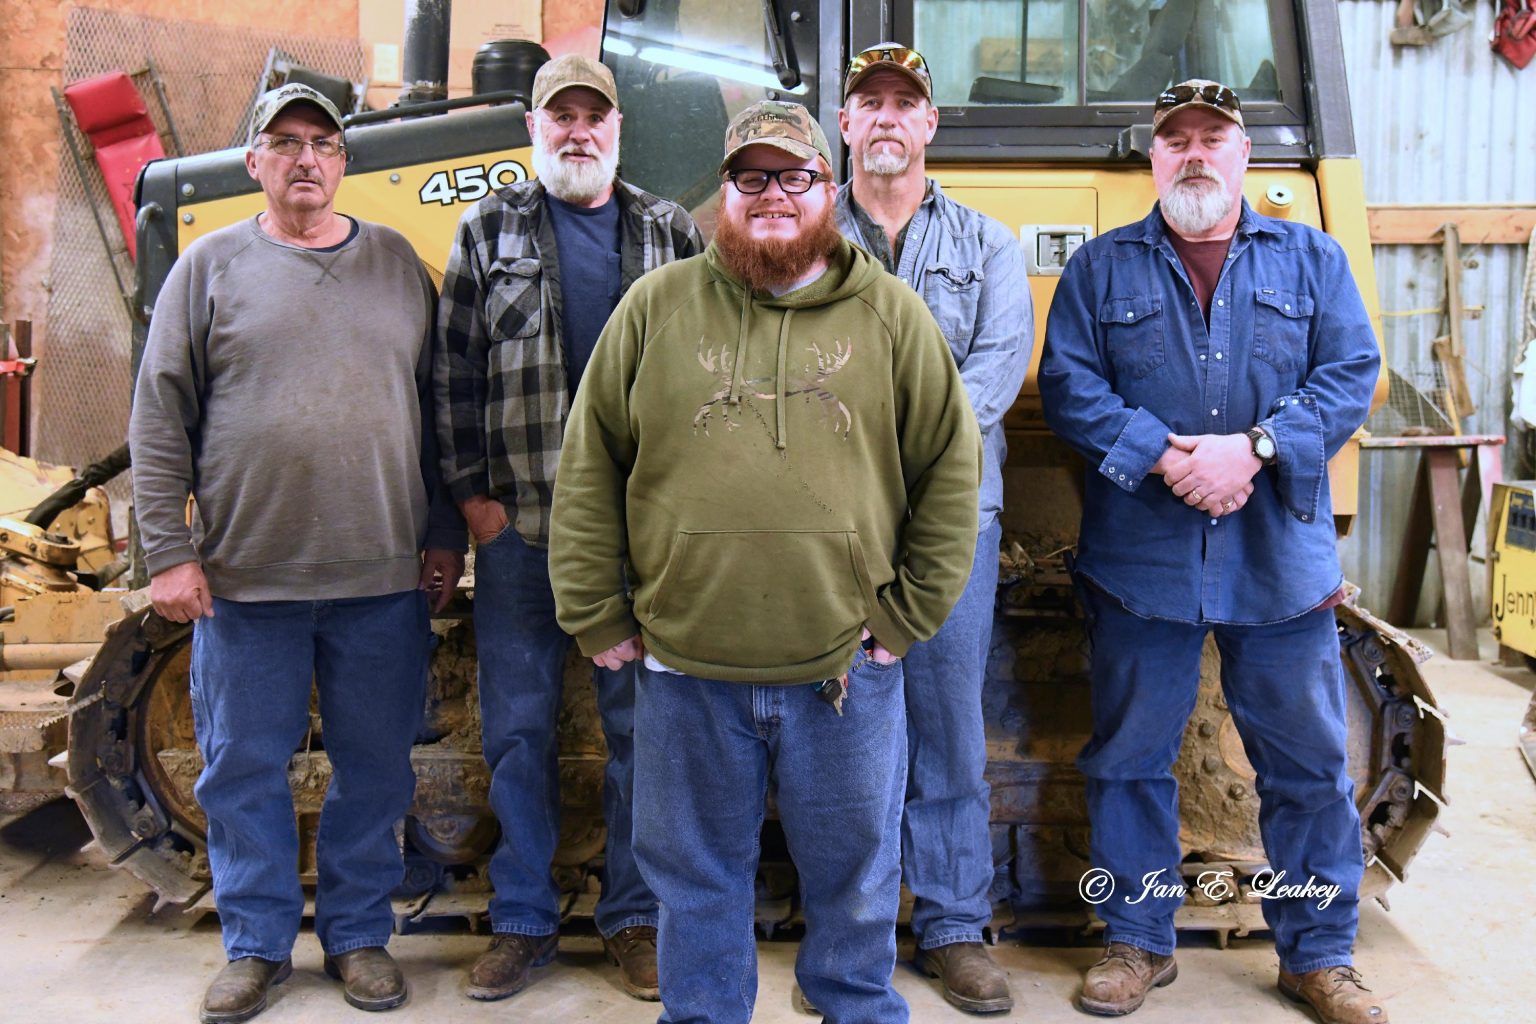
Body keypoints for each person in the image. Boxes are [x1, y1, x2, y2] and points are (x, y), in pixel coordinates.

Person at [547, 100, 982, 1024]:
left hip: (845, 672)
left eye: (795, 177)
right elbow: (590, 465)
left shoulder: (891, 317)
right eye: (751, 178)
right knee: (695, 886)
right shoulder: (654, 310)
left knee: (858, 884)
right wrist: (597, 611)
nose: (772, 197)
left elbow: (952, 470)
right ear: (723, 195)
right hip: (686, 670)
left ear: (829, 190)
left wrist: (905, 619)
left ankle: (856, 1011)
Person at [1038, 80, 1388, 1024]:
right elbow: (1069, 388)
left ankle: (1317, 954)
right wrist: (1163, 453)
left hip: (1278, 558)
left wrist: (1256, 448)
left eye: (1214, 139)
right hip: (1141, 561)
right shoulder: (1100, 270)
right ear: (1154, 157)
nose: (1195, 154)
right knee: (1126, 760)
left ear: (1244, 157)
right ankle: (1138, 941)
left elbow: (1354, 372)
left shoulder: (1313, 260)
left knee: (1308, 767)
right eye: (1176, 139)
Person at [130, 83, 467, 1023]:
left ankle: (359, 934)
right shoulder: (207, 269)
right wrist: (166, 549)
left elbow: (439, 413)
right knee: (240, 767)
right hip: (247, 580)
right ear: (255, 163)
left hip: (381, 579)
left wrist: (443, 532)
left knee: (377, 767)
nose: (306, 159)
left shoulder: (399, 265)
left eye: (324, 143)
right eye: (286, 144)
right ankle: (257, 943)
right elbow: (160, 419)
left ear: (344, 160)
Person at [433, 53, 702, 1003]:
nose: (578, 132)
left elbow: (707, 377)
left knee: (644, 737)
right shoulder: (487, 229)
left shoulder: (669, 231)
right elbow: (454, 375)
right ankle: (521, 920)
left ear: (617, 131)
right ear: (535, 129)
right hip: (522, 535)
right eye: (561, 118)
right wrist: (473, 501)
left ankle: (633, 919)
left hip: (639, 542)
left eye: (594, 117)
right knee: (515, 732)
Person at [835, 42, 1033, 1015]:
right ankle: (853, 938)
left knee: (949, 725)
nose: (884, 117)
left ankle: (954, 925)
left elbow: (994, 376)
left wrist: (882, 444)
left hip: (954, 525)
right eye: (866, 101)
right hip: (828, 530)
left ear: (929, 125)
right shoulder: (803, 238)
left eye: (901, 103)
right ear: (844, 124)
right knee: (842, 732)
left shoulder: (990, 246)